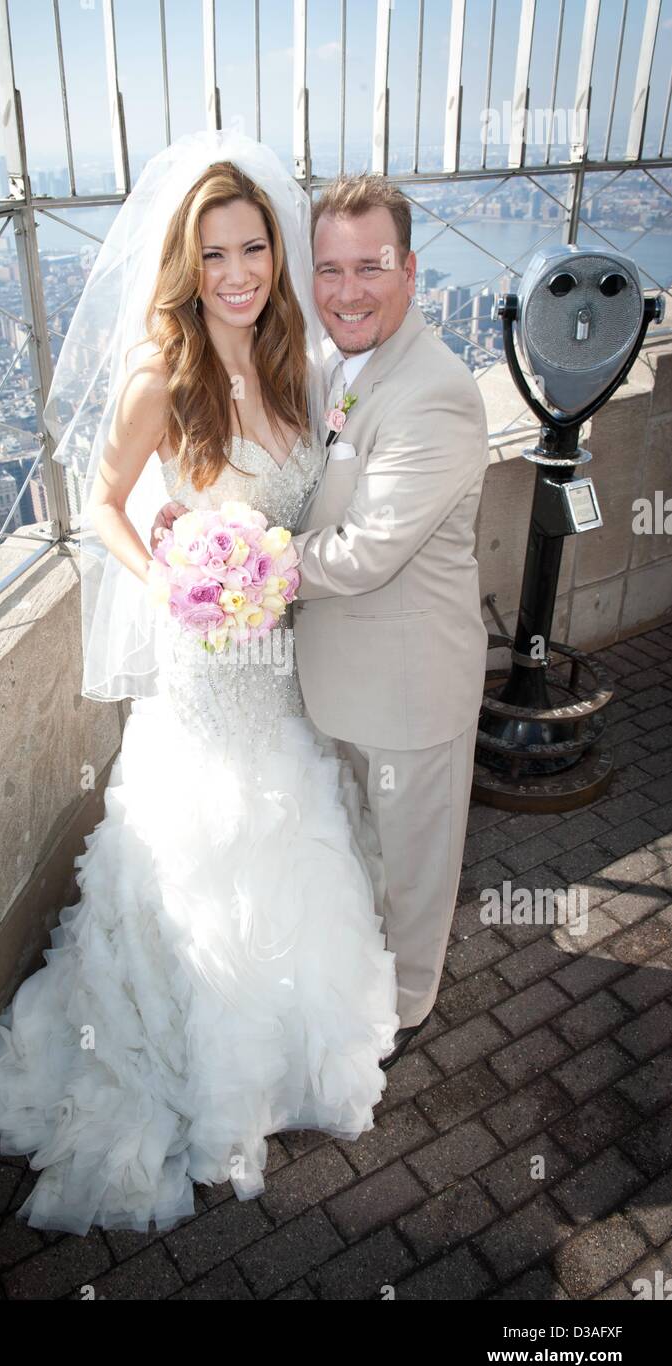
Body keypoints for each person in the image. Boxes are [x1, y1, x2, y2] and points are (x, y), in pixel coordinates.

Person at [0, 131, 399, 1239]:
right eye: (215, 256)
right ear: (185, 267)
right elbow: (101, 502)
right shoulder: (164, 371)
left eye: (253, 248)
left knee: (287, 835)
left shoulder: (295, 359)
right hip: (205, 665)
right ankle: (197, 1057)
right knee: (207, 850)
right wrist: (173, 578)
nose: (239, 272)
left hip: (280, 668)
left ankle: (282, 1047)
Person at [155, 174, 491, 1073]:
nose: (346, 290)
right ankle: (351, 992)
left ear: (410, 270)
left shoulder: (436, 393)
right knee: (355, 860)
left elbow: (368, 549)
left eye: (369, 268)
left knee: (412, 873)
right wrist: (196, 526)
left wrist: (236, 567)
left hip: (409, 686)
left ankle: (405, 1013)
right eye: (329, 269)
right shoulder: (333, 365)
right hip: (324, 683)